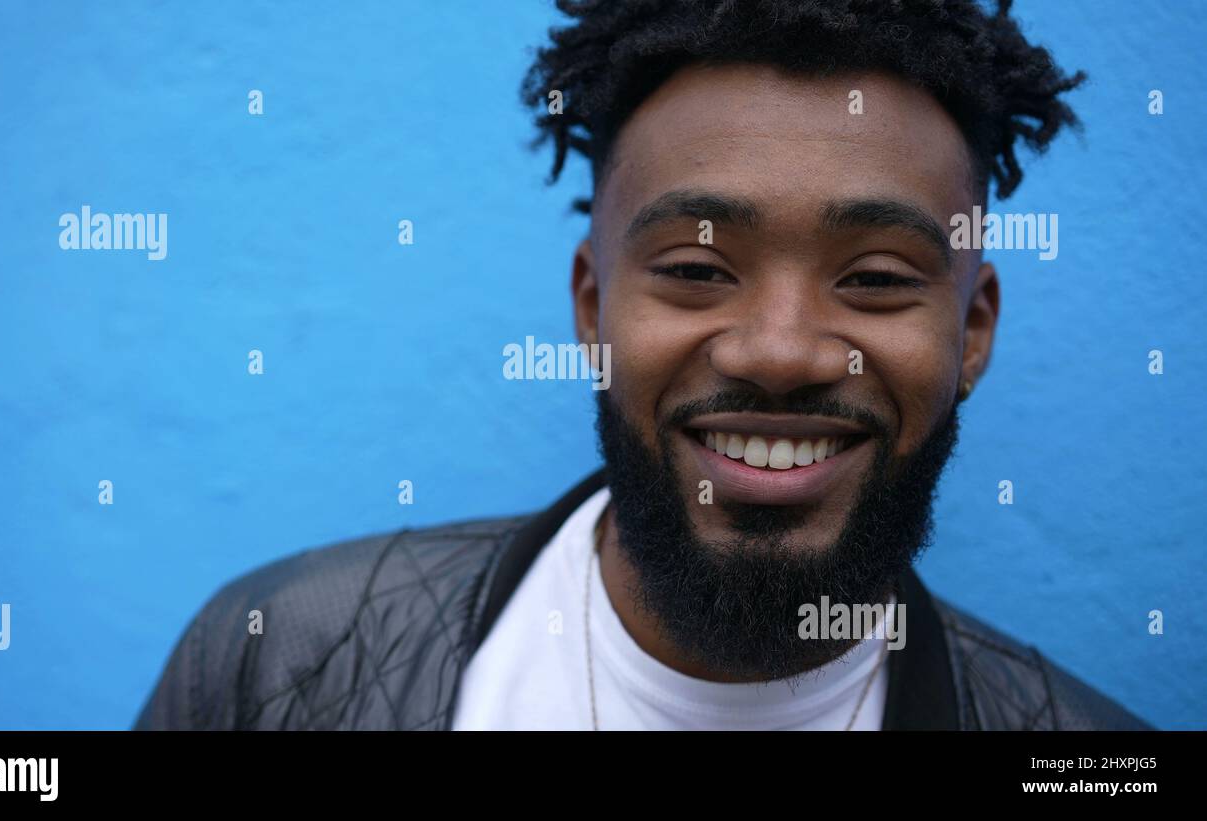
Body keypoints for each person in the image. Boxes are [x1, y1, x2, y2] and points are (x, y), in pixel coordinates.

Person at [135, 0, 1150, 731]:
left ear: (970, 329)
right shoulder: (277, 661)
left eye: (876, 278)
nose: (781, 352)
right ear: (591, 307)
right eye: (698, 268)